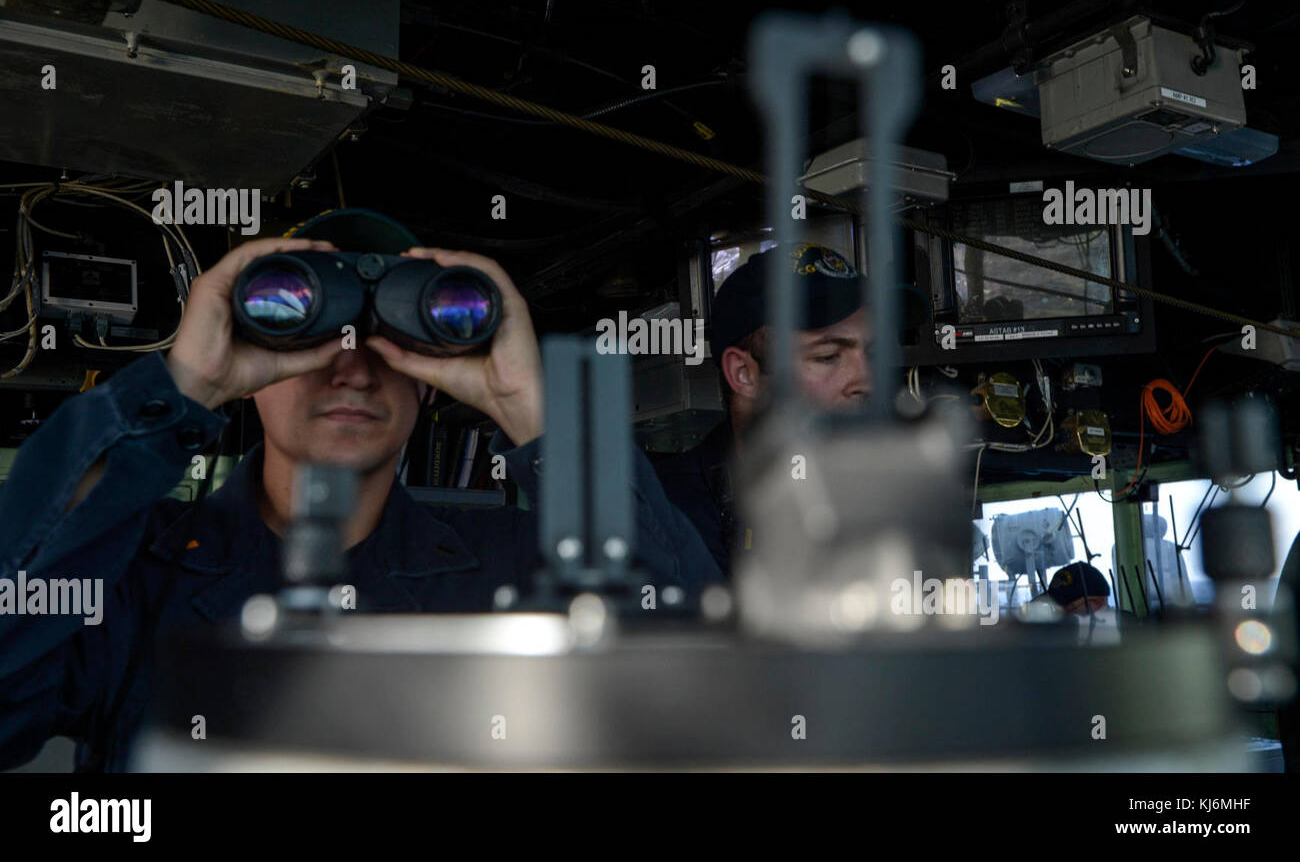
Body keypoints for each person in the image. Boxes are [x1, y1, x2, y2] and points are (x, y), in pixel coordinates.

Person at [0, 211, 721, 771]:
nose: (352, 367)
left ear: (429, 378)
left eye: (389, 334)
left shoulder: (514, 570)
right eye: (303, 325)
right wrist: (184, 385)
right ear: (255, 368)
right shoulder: (136, 573)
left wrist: (535, 410)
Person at [654, 243, 873, 577]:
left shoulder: (895, 495)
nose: (866, 380)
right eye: (827, 356)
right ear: (744, 374)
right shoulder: (665, 520)